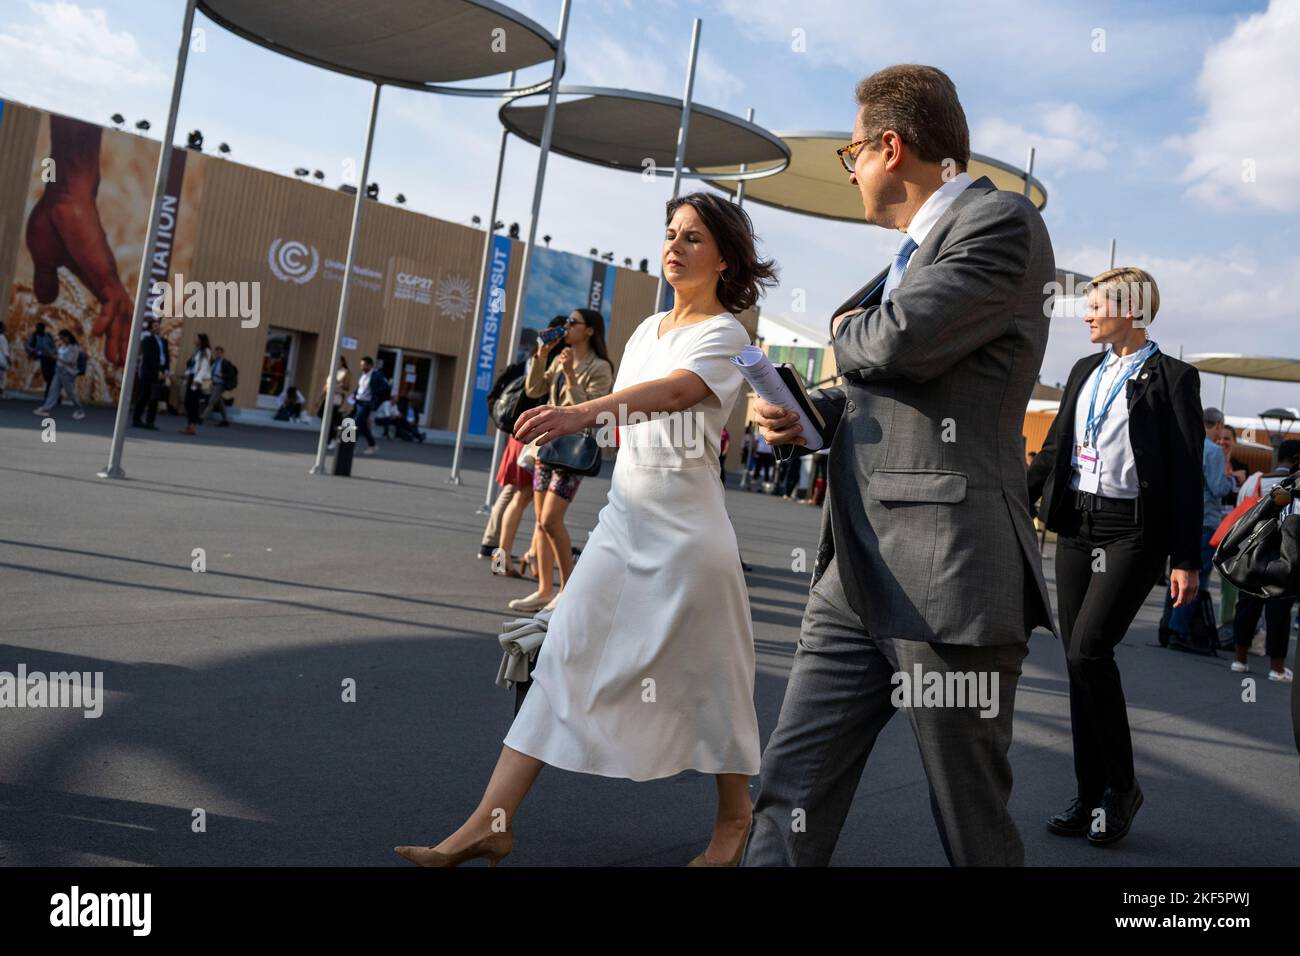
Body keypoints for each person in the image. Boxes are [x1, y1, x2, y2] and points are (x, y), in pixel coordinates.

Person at [395, 190, 776, 867]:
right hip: (623, 522)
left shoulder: (728, 334)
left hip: (689, 536)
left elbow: (679, 393)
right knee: (563, 652)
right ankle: (492, 820)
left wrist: (583, 411)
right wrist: (576, 414)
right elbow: (627, 418)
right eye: (670, 233)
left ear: (724, 258)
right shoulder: (645, 330)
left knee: (711, 678)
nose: (675, 246)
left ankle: (735, 822)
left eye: (693, 237)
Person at [748, 64, 1056, 867]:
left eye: (852, 154)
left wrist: (840, 335)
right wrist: (805, 414)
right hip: (852, 571)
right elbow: (881, 387)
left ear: (891, 147)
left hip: (949, 575)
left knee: (970, 824)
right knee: (789, 789)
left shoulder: (1003, 223)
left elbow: (901, 342)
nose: (850, 172)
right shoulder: (900, 263)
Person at [1026, 267, 1205, 846]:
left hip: (1132, 533)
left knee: (1089, 650)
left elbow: (1182, 473)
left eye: (1097, 305)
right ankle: (1089, 794)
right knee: (1078, 665)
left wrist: (1185, 559)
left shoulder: (1174, 378)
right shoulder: (1084, 371)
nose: (1087, 314)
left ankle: (1122, 787)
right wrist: (1015, 500)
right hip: (1077, 525)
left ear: (1132, 310)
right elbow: (1056, 448)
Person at [507, 308, 615, 613]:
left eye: (572, 323)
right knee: (541, 522)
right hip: (548, 446)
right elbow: (534, 389)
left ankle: (567, 590)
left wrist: (569, 375)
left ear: (590, 330)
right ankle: (544, 589)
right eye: (566, 323)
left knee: (552, 520)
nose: (566, 328)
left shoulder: (601, 367)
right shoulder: (560, 356)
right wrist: (542, 356)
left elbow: (587, 409)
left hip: (574, 451)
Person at [1161, 406, 1237, 644]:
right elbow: (1218, 488)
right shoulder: (1213, 451)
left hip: (1181, 519)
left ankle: (1168, 625)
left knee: (1177, 574)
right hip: (1205, 520)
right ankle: (1180, 629)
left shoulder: (1186, 442)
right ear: (1218, 425)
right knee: (1195, 578)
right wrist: (1231, 479)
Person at [1230, 439, 1300, 683]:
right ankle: (1277, 668)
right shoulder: (1296, 483)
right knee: (1279, 610)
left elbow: (1242, 511)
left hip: (1253, 552)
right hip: (1283, 554)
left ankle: (1240, 660)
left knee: (1247, 605)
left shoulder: (1256, 481)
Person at [34, 329, 85, 420]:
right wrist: (52, 353)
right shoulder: (63, 346)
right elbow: (57, 353)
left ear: (67, 337)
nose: (61, 340)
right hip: (59, 370)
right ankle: (46, 408)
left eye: (62, 338)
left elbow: (71, 362)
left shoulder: (74, 347)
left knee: (70, 392)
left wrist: (57, 358)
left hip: (67, 372)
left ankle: (79, 410)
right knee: (53, 390)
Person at [131, 318, 169, 429]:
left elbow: (166, 357)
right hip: (149, 373)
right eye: (155, 326)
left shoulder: (164, 341)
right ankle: (136, 419)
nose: (157, 327)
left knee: (155, 398)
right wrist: (157, 370)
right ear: (151, 328)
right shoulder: (147, 340)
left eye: (158, 325)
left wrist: (166, 370)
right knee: (144, 396)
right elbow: (149, 358)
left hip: (161, 372)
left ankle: (150, 422)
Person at [350, 356, 388, 456]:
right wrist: (354, 395)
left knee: (356, 422)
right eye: (361, 365)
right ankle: (373, 445)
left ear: (370, 365)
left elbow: (386, 387)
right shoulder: (363, 376)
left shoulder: (376, 375)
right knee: (362, 426)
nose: (362, 367)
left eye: (364, 365)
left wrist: (374, 392)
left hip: (367, 403)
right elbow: (360, 388)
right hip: (359, 402)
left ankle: (350, 447)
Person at [180, 333, 212, 435]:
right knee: (187, 402)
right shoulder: (197, 351)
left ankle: (192, 425)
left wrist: (197, 380)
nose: (195, 340)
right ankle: (190, 424)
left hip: (197, 379)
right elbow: (192, 365)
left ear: (202, 340)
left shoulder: (206, 351)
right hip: (191, 377)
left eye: (197, 339)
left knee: (192, 402)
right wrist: (187, 375)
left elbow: (204, 366)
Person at [322, 355, 352, 448]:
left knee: (330, 419)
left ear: (342, 362)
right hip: (328, 396)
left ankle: (333, 438)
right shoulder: (333, 371)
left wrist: (339, 385)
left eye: (338, 361)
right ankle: (332, 436)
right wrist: (320, 398)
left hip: (337, 397)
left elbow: (346, 387)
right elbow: (326, 385)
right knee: (324, 416)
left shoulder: (345, 372)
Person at [204, 346, 232, 426]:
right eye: (216, 353)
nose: (217, 354)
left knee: (211, 401)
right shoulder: (214, 362)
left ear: (222, 353)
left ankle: (202, 418)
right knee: (219, 402)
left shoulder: (225, 362)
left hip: (220, 384)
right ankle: (225, 420)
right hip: (213, 383)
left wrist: (222, 375)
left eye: (219, 353)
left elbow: (229, 374)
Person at [25, 321, 56, 391]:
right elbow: (27, 346)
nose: (38, 329)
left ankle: (49, 390)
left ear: (43, 329)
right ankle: (27, 386)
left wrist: (51, 352)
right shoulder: (33, 336)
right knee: (33, 373)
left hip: (48, 358)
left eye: (40, 328)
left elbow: (54, 347)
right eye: (37, 328)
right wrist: (33, 351)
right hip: (38, 358)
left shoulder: (48, 336)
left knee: (48, 375)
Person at [0, 321, 9, 399]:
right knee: (3, 377)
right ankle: (2, 393)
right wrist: (9, 359)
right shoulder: (2, 337)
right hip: (1, 360)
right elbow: (5, 351)